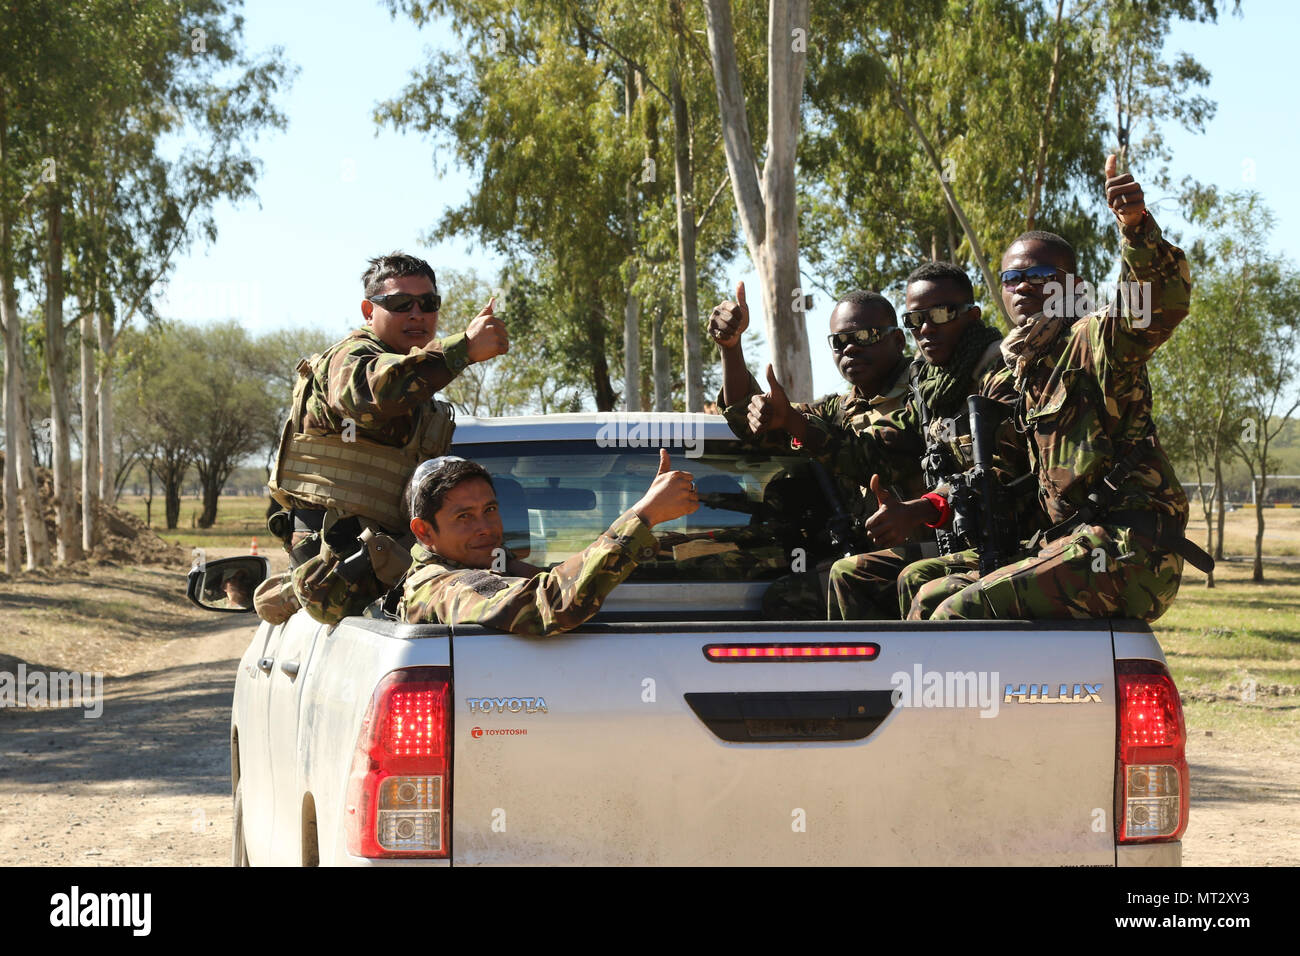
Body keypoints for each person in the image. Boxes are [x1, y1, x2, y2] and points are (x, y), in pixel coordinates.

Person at [906, 153, 1206, 621]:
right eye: (1013, 277)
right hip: (1066, 545)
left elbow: (1155, 304)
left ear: (1074, 286)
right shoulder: (1021, 369)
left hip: (1128, 550)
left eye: (1041, 275)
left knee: (956, 613)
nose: (1024, 286)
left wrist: (1136, 226)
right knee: (924, 591)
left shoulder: (1093, 340)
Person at [255, 251, 508, 626]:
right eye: (400, 303)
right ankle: (289, 593)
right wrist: (463, 349)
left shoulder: (417, 378)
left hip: (392, 564)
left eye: (428, 303)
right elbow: (372, 393)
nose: (417, 313)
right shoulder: (352, 357)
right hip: (343, 575)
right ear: (368, 310)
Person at [824, 261, 1040, 620]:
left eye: (941, 313)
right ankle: (867, 676)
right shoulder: (928, 387)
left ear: (972, 315)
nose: (925, 328)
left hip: (1014, 538)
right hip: (957, 536)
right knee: (849, 572)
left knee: (919, 580)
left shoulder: (1000, 377)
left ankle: (918, 676)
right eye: (915, 319)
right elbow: (883, 449)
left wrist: (923, 509)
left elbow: (1008, 476)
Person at [709, 283, 923, 617]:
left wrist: (794, 423)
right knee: (787, 594)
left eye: (865, 336)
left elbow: (871, 454)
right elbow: (750, 421)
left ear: (898, 340)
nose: (850, 348)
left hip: (931, 557)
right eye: (839, 341)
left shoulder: (924, 393)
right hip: (870, 562)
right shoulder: (840, 409)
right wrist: (730, 348)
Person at [401, 451, 699, 636]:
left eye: (490, 510)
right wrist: (643, 516)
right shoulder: (439, 587)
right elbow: (549, 602)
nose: (485, 528)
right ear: (424, 531)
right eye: (464, 516)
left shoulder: (495, 565)